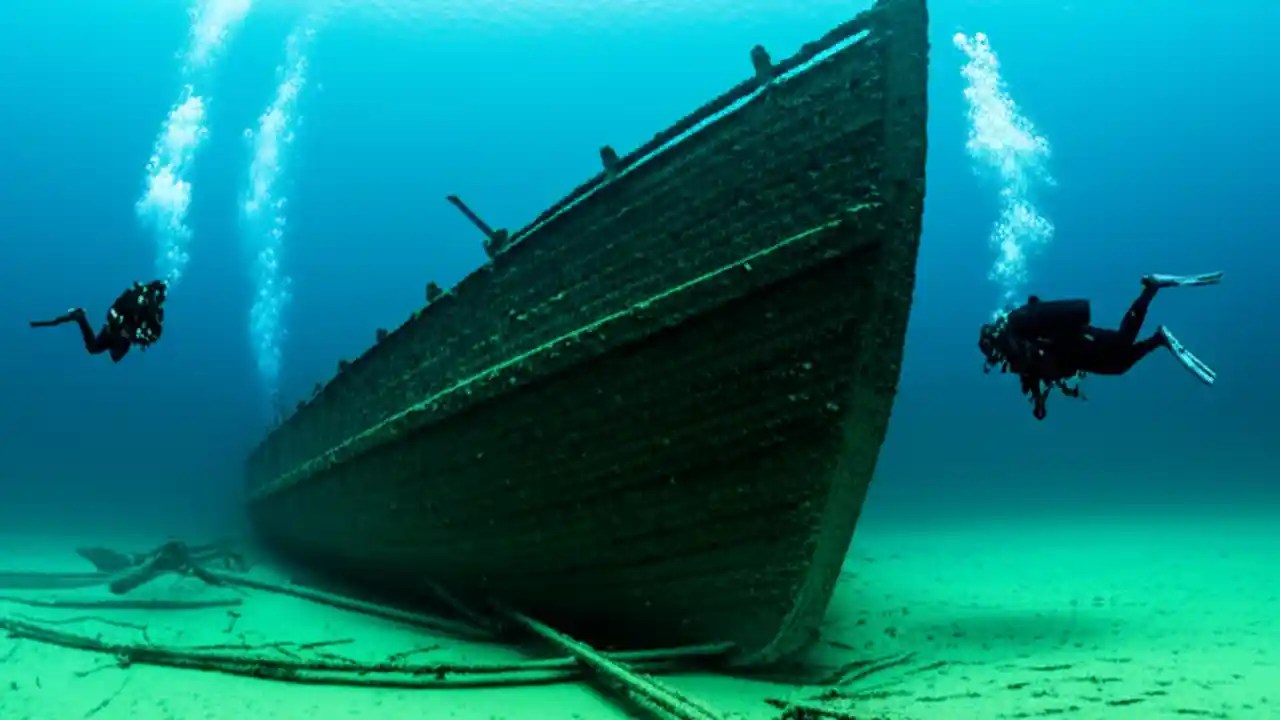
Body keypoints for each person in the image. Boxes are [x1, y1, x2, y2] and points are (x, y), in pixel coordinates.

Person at [978, 272, 1221, 420]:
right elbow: (1034, 377)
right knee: (1119, 366)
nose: (995, 361)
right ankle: (1158, 339)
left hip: (1076, 342)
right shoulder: (1018, 356)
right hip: (1078, 357)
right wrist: (1040, 403)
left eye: (992, 356)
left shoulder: (1016, 346)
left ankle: (1150, 290)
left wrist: (1041, 398)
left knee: (1121, 342)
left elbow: (1036, 367)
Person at [30, 280, 168, 363]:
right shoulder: (133, 296)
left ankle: (80, 317)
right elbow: (113, 310)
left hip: (124, 339)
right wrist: (120, 325)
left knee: (114, 357)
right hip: (114, 330)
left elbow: (153, 337)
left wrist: (137, 336)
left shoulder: (155, 315)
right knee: (94, 348)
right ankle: (80, 317)